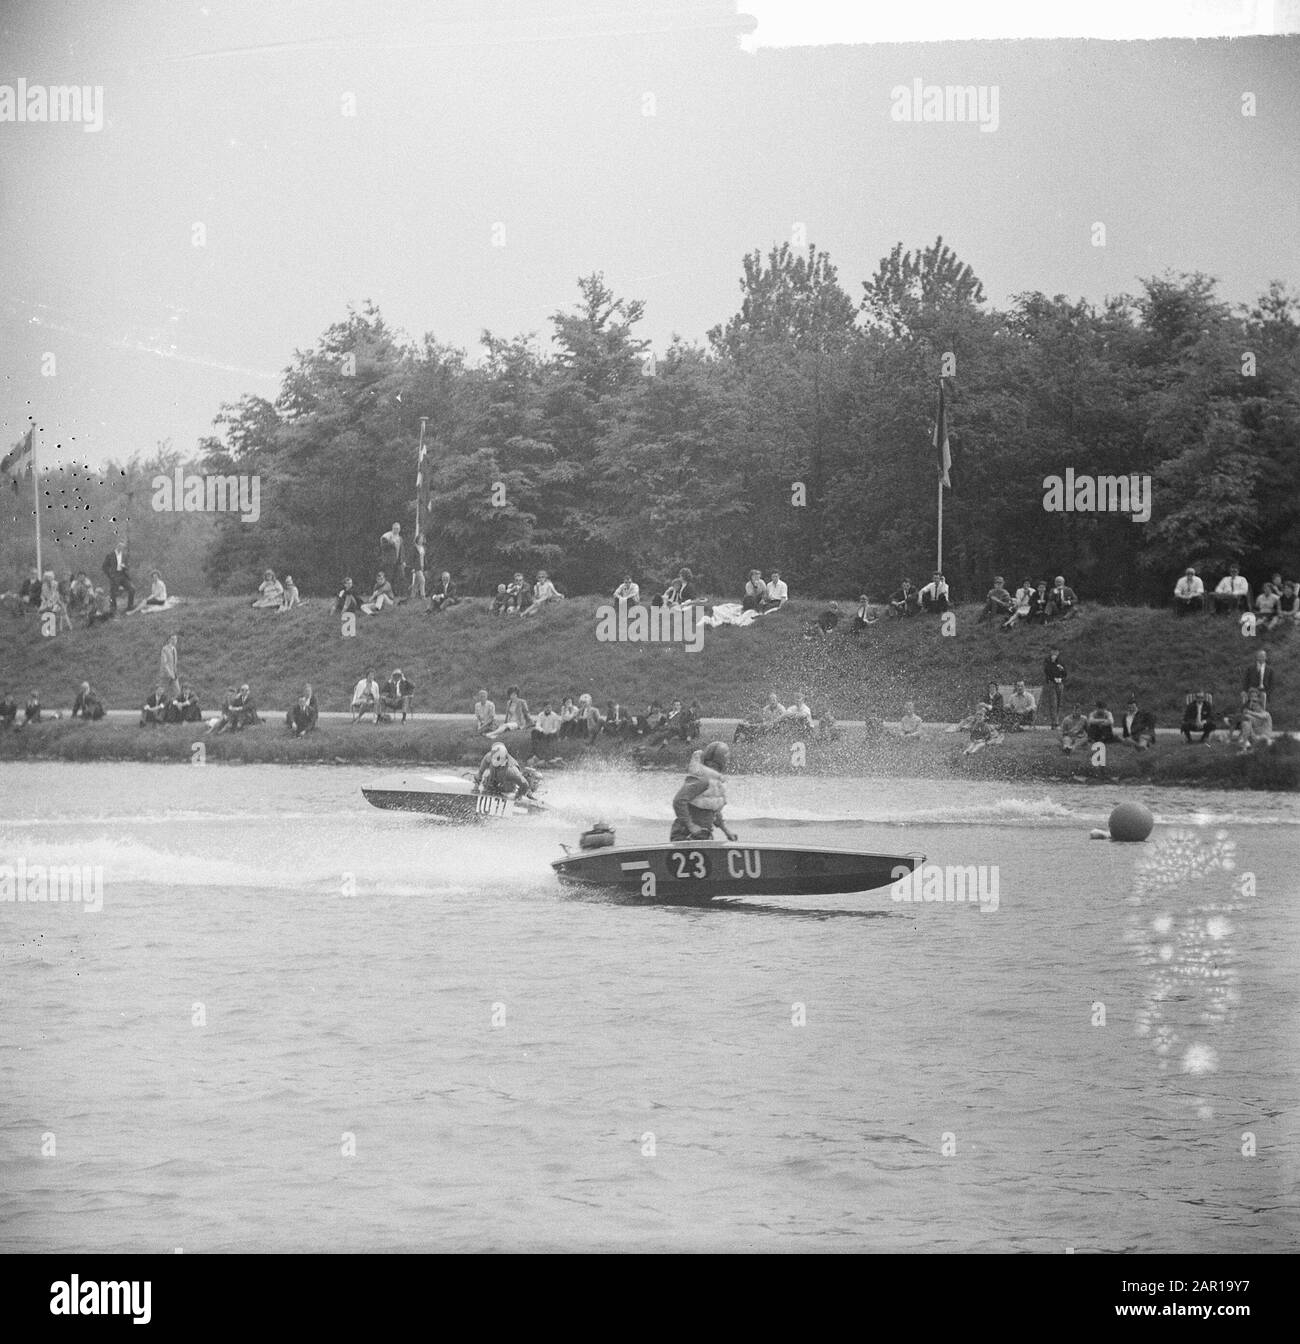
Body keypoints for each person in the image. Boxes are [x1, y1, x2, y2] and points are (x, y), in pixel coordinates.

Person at [670, 741, 738, 842]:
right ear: (723, 761)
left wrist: (726, 831)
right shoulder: (701, 779)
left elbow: (714, 811)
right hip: (685, 835)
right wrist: (691, 825)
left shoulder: (714, 781)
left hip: (703, 836)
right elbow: (679, 801)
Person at [102, 540, 134, 612]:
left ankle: (130, 606)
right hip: (114, 576)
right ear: (117, 546)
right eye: (120, 546)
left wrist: (125, 566)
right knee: (113, 592)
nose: (121, 548)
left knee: (132, 589)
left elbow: (127, 566)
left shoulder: (124, 555)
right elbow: (104, 567)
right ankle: (113, 608)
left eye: (123, 547)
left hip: (123, 575)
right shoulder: (110, 555)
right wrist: (110, 575)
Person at [1041, 648, 1067, 728]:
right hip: (1052, 684)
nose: (1054, 656)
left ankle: (1057, 720)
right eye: (1053, 654)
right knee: (1053, 703)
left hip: (1060, 684)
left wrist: (1061, 678)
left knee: (1059, 703)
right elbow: (1047, 672)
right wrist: (1053, 678)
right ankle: (1054, 722)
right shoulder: (1048, 663)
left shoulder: (1060, 663)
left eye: (1055, 654)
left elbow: (1065, 673)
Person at [379, 522, 405, 588]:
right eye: (395, 528)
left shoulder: (400, 538)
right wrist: (391, 543)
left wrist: (403, 560)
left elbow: (402, 551)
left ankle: (395, 593)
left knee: (399, 576)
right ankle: (387, 592)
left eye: (398, 528)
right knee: (389, 577)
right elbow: (383, 547)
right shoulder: (386, 537)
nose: (396, 530)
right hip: (389, 561)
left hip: (398, 561)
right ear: (392, 528)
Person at [159, 634, 180, 699]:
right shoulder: (165, 649)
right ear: (169, 640)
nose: (175, 641)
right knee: (162, 692)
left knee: (178, 691)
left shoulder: (174, 649)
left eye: (176, 639)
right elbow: (164, 663)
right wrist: (170, 674)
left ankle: (174, 706)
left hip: (174, 675)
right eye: (173, 639)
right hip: (165, 675)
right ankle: (158, 705)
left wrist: (175, 673)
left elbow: (174, 663)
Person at [409, 533, 427, 601]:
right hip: (416, 567)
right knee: (422, 580)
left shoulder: (423, 548)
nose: (421, 540)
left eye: (422, 539)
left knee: (416, 582)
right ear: (417, 540)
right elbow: (411, 558)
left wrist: (425, 566)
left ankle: (412, 596)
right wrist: (412, 568)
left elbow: (424, 558)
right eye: (420, 539)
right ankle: (423, 596)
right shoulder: (414, 548)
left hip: (422, 566)